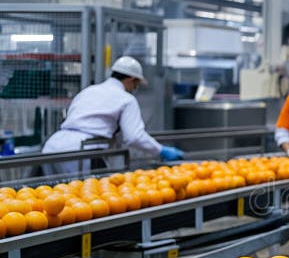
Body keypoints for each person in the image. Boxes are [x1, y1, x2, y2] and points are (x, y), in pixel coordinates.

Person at [42, 56, 183, 175]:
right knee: (79, 198)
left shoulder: (89, 91)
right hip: (81, 150)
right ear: (130, 80)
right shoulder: (126, 99)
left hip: (53, 145)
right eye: (136, 84)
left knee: (52, 195)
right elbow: (134, 136)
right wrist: (161, 150)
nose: (135, 88)